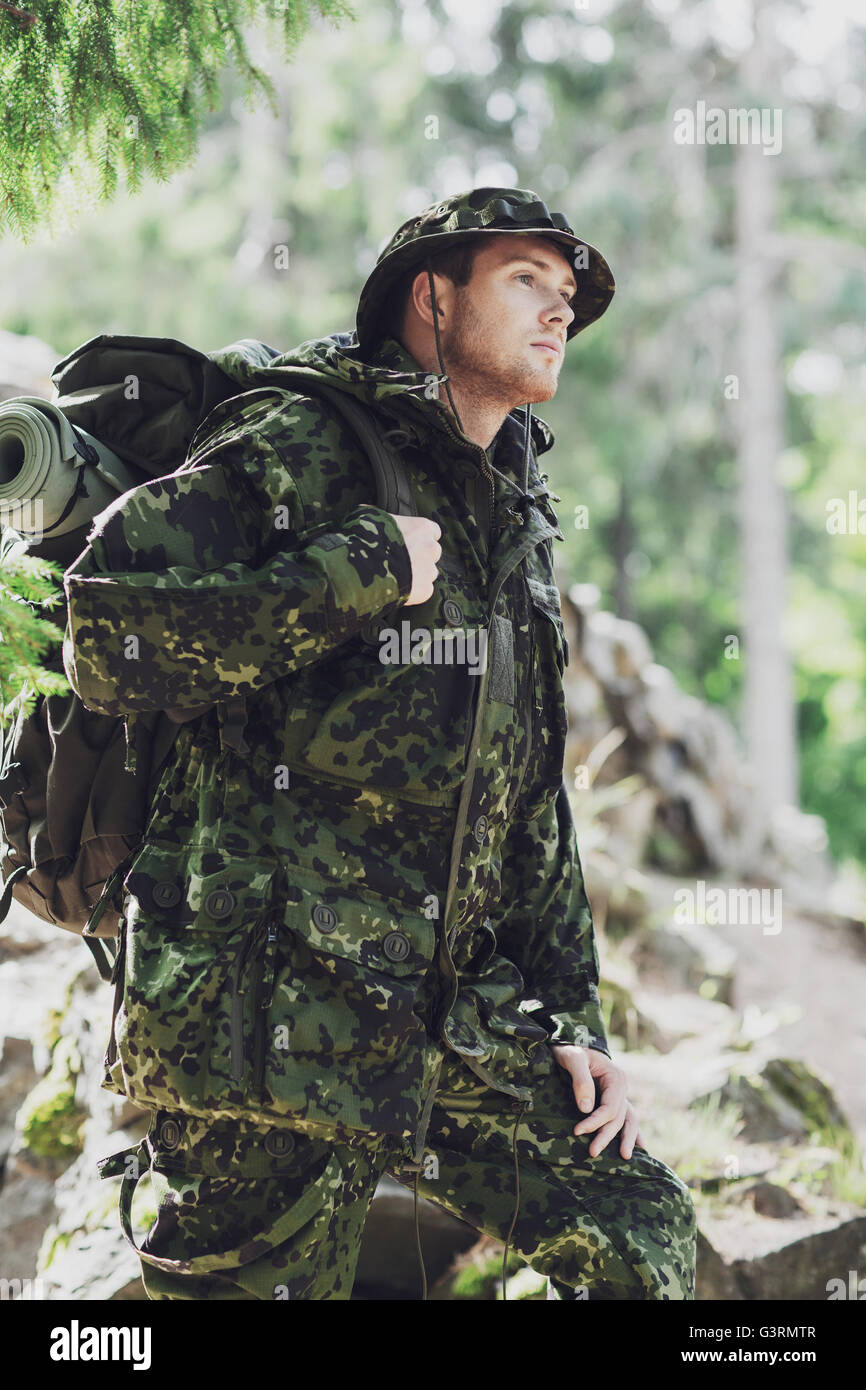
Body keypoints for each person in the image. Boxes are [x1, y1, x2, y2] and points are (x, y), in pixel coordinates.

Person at [64, 186, 697, 1300]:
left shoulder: (511, 512)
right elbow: (109, 636)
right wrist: (346, 576)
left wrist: (575, 1022)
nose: (556, 313)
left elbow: (529, 801)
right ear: (430, 298)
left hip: (442, 1025)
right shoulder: (300, 442)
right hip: (262, 1032)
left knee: (634, 1236)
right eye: (523, 282)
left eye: (566, 297)